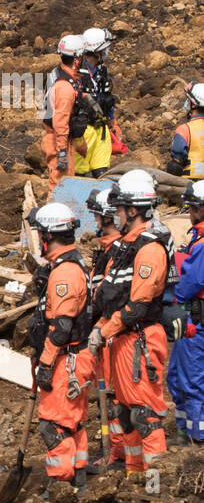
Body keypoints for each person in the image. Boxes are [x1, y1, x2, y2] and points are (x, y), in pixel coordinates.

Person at [89, 170, 174, 480]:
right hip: (123, 340)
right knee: (125, 413)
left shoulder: (149, 248)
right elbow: (108, 295)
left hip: (140, 340)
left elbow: (137, 306)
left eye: (121, 209)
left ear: (134, 210)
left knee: (144, 415)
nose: (116, 215)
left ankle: (155, 488)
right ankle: (135, 479)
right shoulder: (125, 247)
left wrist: (103, 331)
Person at [25, 205, 95, 499]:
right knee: (73, 423)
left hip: (66, 359)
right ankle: (78, 482)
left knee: (53, 426)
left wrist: (45, 362)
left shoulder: (65, 273)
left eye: (41, 234)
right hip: (74, 358)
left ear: (48, 236)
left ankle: (60, 486)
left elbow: (61, 326)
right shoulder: (66, 266)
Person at [87, 186, 125, 467]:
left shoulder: (117, 253)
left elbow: (107, 295)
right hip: (105, 331)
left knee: (113, 394)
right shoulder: (108, 251)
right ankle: (113, 450)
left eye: (98, 217)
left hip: (111, 333)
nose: (96, 223)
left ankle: (117, 453)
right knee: (108, 394)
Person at [167, 182, 204, 444]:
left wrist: (171, 300)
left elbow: (192, 281)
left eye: (193, 206)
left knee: (192, 378)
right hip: (189, 314)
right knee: (177, 376)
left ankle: (196, 435)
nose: (189, 211)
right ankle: (184, 430)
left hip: (195, 316)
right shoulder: (197, 237)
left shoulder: (202, 243)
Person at [40, 35, 90, 195]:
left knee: (66, 185)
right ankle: (53, 218)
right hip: (58, 140)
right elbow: (60, 122)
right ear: (76, 60)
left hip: (62, 139)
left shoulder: (64, 79)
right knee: (59, 187)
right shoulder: (65, 87)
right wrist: (62, 152)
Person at [74, 28, 115, 178]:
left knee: (102, 171)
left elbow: (106, 95)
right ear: (97, 51)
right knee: (79, 171)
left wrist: (113, 121)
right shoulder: (77, 71)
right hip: (84, 129)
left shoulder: (101, 70)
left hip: (101, 128)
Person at [166, 82, 204, 180]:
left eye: (188, 100)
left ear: (194, 105)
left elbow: (177, 162)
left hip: (189, 182)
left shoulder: (184, 129)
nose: (187, 102)